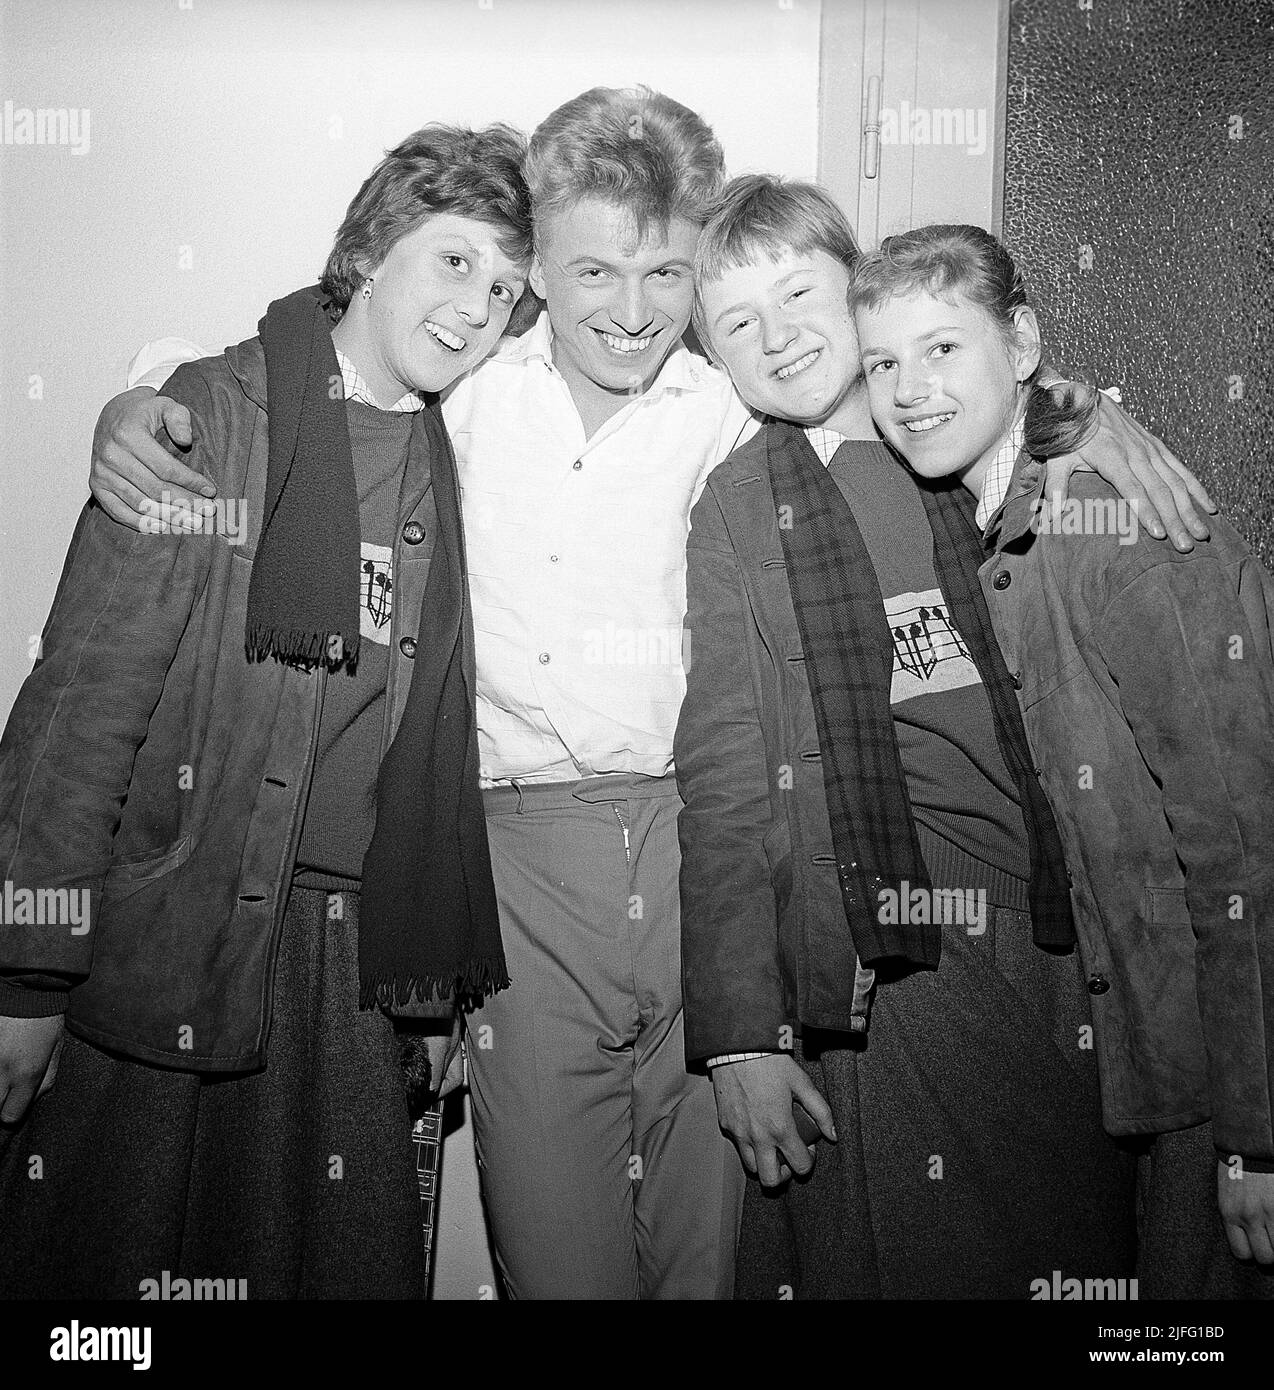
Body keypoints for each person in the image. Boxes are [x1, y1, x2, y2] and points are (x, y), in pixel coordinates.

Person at [81, 93, 1210, 1300]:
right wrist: (143, 391)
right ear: (536, 276)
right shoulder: (468, 385)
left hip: (699, 850)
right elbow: (322, 353)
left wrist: (1079, 412)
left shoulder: (726, 398)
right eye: (592, 272)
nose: (629, 310)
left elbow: (917, 377)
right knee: (555, 1253)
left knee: (714, 1247)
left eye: (666, 273)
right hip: (516, 866)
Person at [0, 124, 532, 1299]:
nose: (476, 305)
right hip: (177, 931)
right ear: (376, 243)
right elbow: (81, 711)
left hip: (350, 971)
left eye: (503, 287)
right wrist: (26, 979)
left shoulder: (465, 456)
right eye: (454, 261)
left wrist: (425, 987)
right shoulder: (212, 417)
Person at [678, 174, 1153, 1298]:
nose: (777, 336)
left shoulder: (976, 445)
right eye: (737, 324)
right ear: (713, 358)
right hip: (895, 935)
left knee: (1085, 1249)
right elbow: (724, 778)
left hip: (1064, 917)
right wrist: (742, 1034)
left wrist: (1098, 420)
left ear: (861, 292)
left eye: (800, 294)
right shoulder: (739, 508)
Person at [849, 222, 1274, 1296]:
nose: (908, 389)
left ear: (1021, 341)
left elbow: (1243, 847)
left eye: (941, 348)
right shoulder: (1003, 512)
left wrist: (1255, 1134)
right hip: (1142, 1055)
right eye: (883, 362)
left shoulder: (1114, 524)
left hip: (1213, 1071)